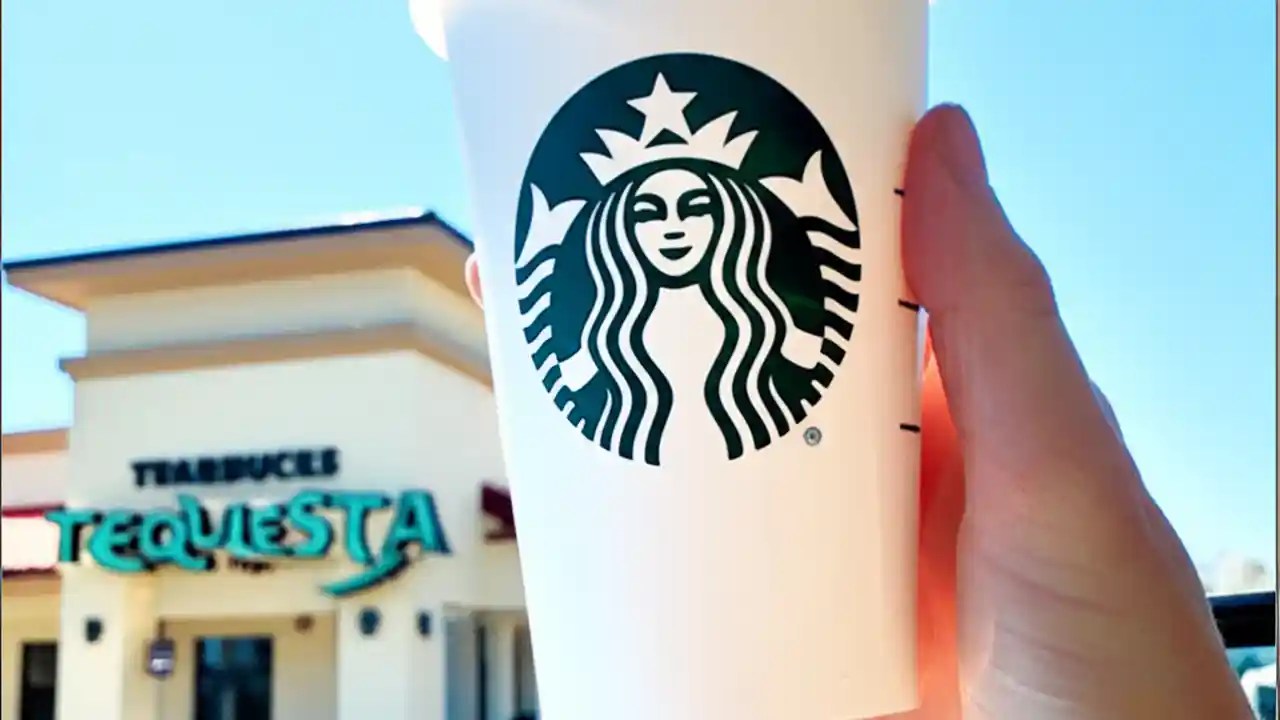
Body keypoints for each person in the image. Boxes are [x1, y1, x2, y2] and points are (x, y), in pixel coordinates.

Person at [465, 105, 1254, 719]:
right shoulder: (613, 351)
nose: (672, 228)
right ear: (615, 231)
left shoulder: (764, 337)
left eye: (695, 208)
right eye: (649, 211)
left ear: (734, 220)